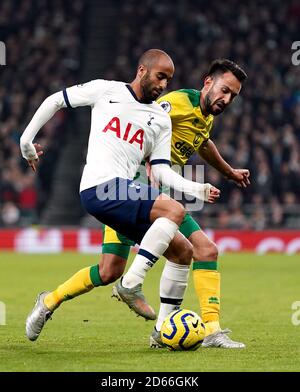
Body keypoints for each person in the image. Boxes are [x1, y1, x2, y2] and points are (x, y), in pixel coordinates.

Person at [20, 49, 220, 342]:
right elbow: (56, 100)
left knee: (176, 253)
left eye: (169, 80)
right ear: (142, 71)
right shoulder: (105, 90)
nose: (164, 85)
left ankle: (51, 302)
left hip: (127, 196)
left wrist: (196, 188)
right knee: (173, 211)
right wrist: (26, 140)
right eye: (160, 76)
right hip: (99, 187)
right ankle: (132, 283)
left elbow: (162, 171)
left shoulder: (160, 120)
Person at [106, 59, 250, 349]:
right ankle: (195, 328)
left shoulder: (204, 114)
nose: (227, 99)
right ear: (208, 82)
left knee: (110, 268)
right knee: (199, 250)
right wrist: (145, 158)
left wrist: (229, 172)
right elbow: (145, 119)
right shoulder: (180, 102)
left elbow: (203, 143)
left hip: (161, 187)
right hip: (142, 186)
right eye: (224, 90)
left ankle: (53, 301)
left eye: (233, 96)